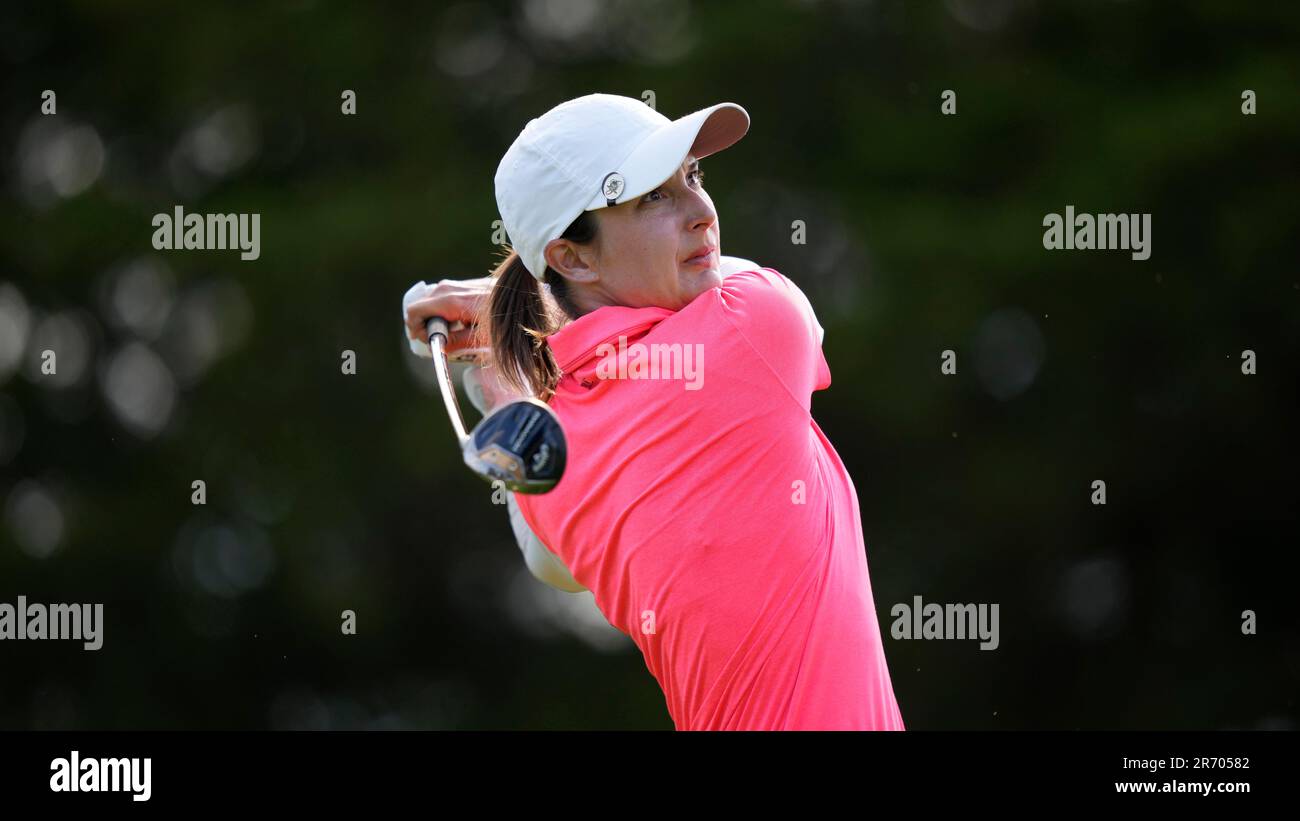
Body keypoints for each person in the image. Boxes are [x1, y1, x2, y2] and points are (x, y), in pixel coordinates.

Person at [403, 93, 904, 730]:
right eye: (654, 198)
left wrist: (492, 354)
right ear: (572, 258)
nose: (702, 212)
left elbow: (547, 563)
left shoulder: (554, 454)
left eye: (693, 177)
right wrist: (498, 302)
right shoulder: (755, 329)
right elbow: (760, 286)